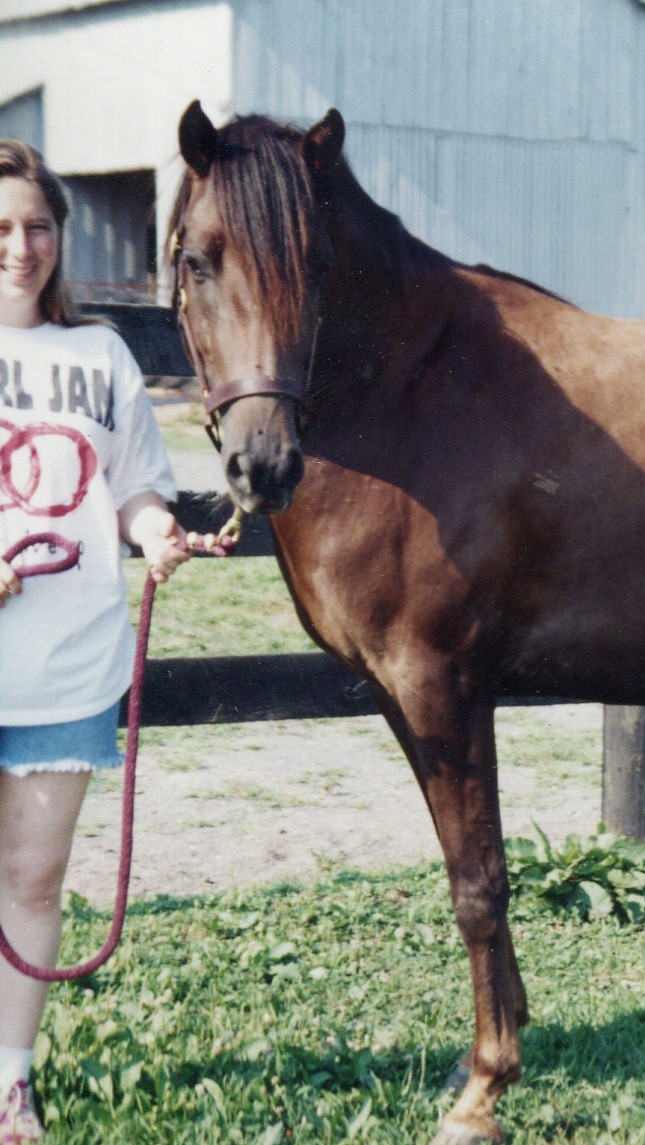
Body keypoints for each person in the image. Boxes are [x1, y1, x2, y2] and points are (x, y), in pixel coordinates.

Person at [0, 140, 190, 1142]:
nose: (20, 247)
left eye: (37, 225)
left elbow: (133, 484)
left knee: (30, 879)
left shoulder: (103, 356)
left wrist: (156, 529)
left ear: (60, 237)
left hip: (65, 666)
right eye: (0, 227)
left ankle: (9, 1083)